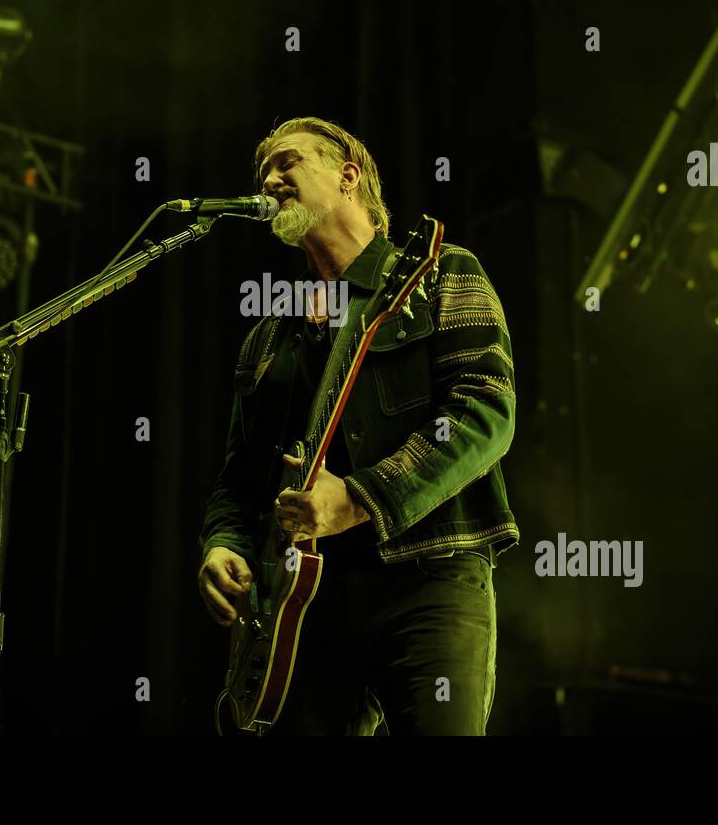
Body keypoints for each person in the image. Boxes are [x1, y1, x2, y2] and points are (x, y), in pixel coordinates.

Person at [198, 117, 519, 735]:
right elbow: (237, 480)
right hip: (306, 606)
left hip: (431, 581)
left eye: (286, 163)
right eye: (263, 170)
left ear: (348, 176)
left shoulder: (438, 274)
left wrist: (361, 497)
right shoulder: (268, 338)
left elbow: (484, 413)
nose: (269, 179)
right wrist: (223, 545)